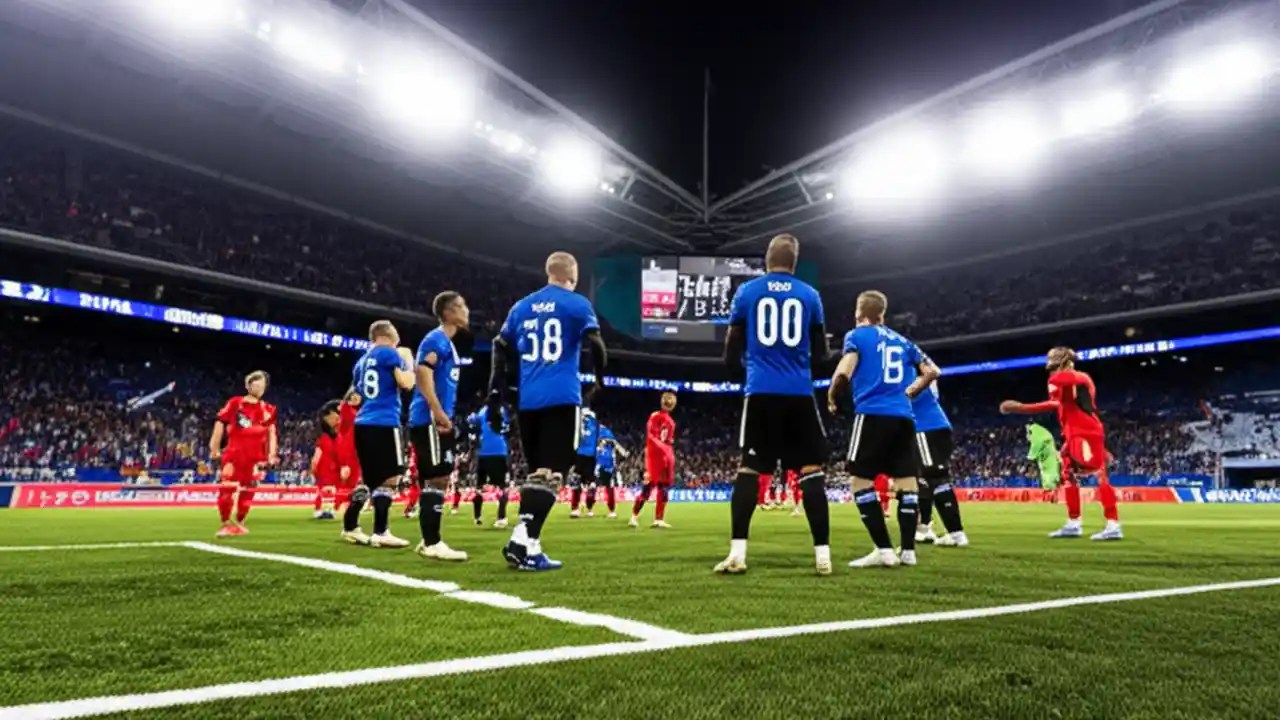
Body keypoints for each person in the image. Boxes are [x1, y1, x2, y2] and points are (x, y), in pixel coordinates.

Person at [717, 233, 833, 575]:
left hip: (761, 392)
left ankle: (738, 553)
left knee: (750, 469)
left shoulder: (747, 293)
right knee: (811, 471)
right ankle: (822, 556)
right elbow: (822, 356)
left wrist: (747, 373)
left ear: (767, 259)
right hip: (799, 393)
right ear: (794, 262)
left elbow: (730, 352)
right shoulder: (810, 295)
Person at [489, 251, 607, 571]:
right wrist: (599, 379)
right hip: (562, 398)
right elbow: (595, 343)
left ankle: (531, 545)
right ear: (573, 275)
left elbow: (499, 348)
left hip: (528, 402)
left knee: (538, 473)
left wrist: (495, 393)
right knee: (555, 474)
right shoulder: (577, 304)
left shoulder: (521, 307)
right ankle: (520, 538)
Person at [829, 290, 939, 569]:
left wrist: (833, 395)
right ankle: (908, 552)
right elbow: (932, 371)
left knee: (859, 480)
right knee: (906, 482)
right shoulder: (903, 341)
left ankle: (883, 549)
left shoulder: (856, 336)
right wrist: (911, 391)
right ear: (883, 313)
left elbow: (845, 369)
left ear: (859, 311)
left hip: (872, 414)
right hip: (904, 417)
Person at [1000, 346, 1122, 540]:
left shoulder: (1080, 378)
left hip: (1087, 432)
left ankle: (1113, 524)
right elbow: (1055, 402)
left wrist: (1063, 368)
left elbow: (1061, 380)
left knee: (1100, 474)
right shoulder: (1062, 382)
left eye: (1055, 360)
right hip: (1073, 434)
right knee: (1068, 474)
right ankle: (1074, 522)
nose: (1051, 366)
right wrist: (1021, 408)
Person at [407, 291, 471, 562]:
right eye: (462, 306)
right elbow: (422, 371)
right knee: (437, 478)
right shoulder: (436, 339)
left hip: (436, 419)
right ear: (449, 312)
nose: (467, 310)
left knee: (439, 477)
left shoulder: (448, 344)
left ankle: (428, 540)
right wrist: (436, 410)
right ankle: (432, 542)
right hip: (429, 419)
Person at [344, 320, 416, 548]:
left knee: (368, 480)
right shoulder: (390, 354)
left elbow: (353, 398)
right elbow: (406, 383)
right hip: (385, 422)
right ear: (390, 335)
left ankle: (350, 526)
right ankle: (381, 531)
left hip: (363, 422)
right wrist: (409, 362)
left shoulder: (361, 362)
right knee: (390, 478)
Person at [209, 370, 278, 537]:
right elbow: (220, 423)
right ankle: (225, 523)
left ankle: (240, 522)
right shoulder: (235, 403)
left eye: (263, 384)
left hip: (255, 457)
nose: (260, 387)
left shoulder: (268, 409)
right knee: (227, 489)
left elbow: (271, 433)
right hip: (234, 454)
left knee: (248, 491)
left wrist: (271, 454)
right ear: (249, 385)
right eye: (257, 383)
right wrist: (214, 447)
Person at [911, 376, 969, 547]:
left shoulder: (906, 373)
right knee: (928, 479)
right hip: (939, 426)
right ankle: (927, 529)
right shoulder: (922, 370)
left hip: (924, 427)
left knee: (933, 478)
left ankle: (956, 534)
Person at [631, 392, 677, 529]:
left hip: (655, 456)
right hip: (663, 456)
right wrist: (666, 445)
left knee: (650, 488)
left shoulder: (654, 416)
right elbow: (665, 440)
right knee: (661, 488)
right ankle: (657, 519)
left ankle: (635, 517)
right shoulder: (670, 422)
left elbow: (651, 435)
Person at [466, 403, 512, 528]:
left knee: (479, 487)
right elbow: (508, 426)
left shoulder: (482, 411)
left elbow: (471, 421)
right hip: (499, 451)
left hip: (484, 452)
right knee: (502, 487)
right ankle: (501, 517)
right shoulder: (503, 410)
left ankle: (477, 517)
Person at [310, 400, 344, 520]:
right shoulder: (338, 437)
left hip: (326, 468)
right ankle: (333, 510)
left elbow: (316, 456)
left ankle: (319, 510)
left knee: (322, 490)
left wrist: (313, 468)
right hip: (333, 467)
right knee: (339, 490)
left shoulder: (324, 437)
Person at [586, 423, 627, 518]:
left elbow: (617, 446)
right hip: (600, 467)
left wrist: (623, 453)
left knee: (607, 489)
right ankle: (591, 509)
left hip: (607, 467)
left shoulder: (604, 438)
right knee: (595, 488)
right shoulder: (598, 439)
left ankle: (605, 510)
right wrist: (623, 453)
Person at [569, 405, 600, 518]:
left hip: (581, 454)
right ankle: (589, 509)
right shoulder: (595, 422)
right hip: (590, 455)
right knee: (590, 483)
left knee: (578, 482)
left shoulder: (578, 420)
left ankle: (575, 508)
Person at [335, 390, 362, 512]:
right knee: (346, 480)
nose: (357, 398)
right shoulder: (346, 410)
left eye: (358, 397)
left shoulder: (358, 412)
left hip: (356, 451)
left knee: (353, 481)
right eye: (354, 397)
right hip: (347, 451)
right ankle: (339, 505)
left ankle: (347, 505)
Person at [1027, 422, 1062, 503]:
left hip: (1050, 463)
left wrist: (1031, 457)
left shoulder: (1039, 436)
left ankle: (1053, 497)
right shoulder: (1044, 436)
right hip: (1047, 463)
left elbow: (1036, 445)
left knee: (1050, 479)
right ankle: (1051, 497)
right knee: (1049, 479)